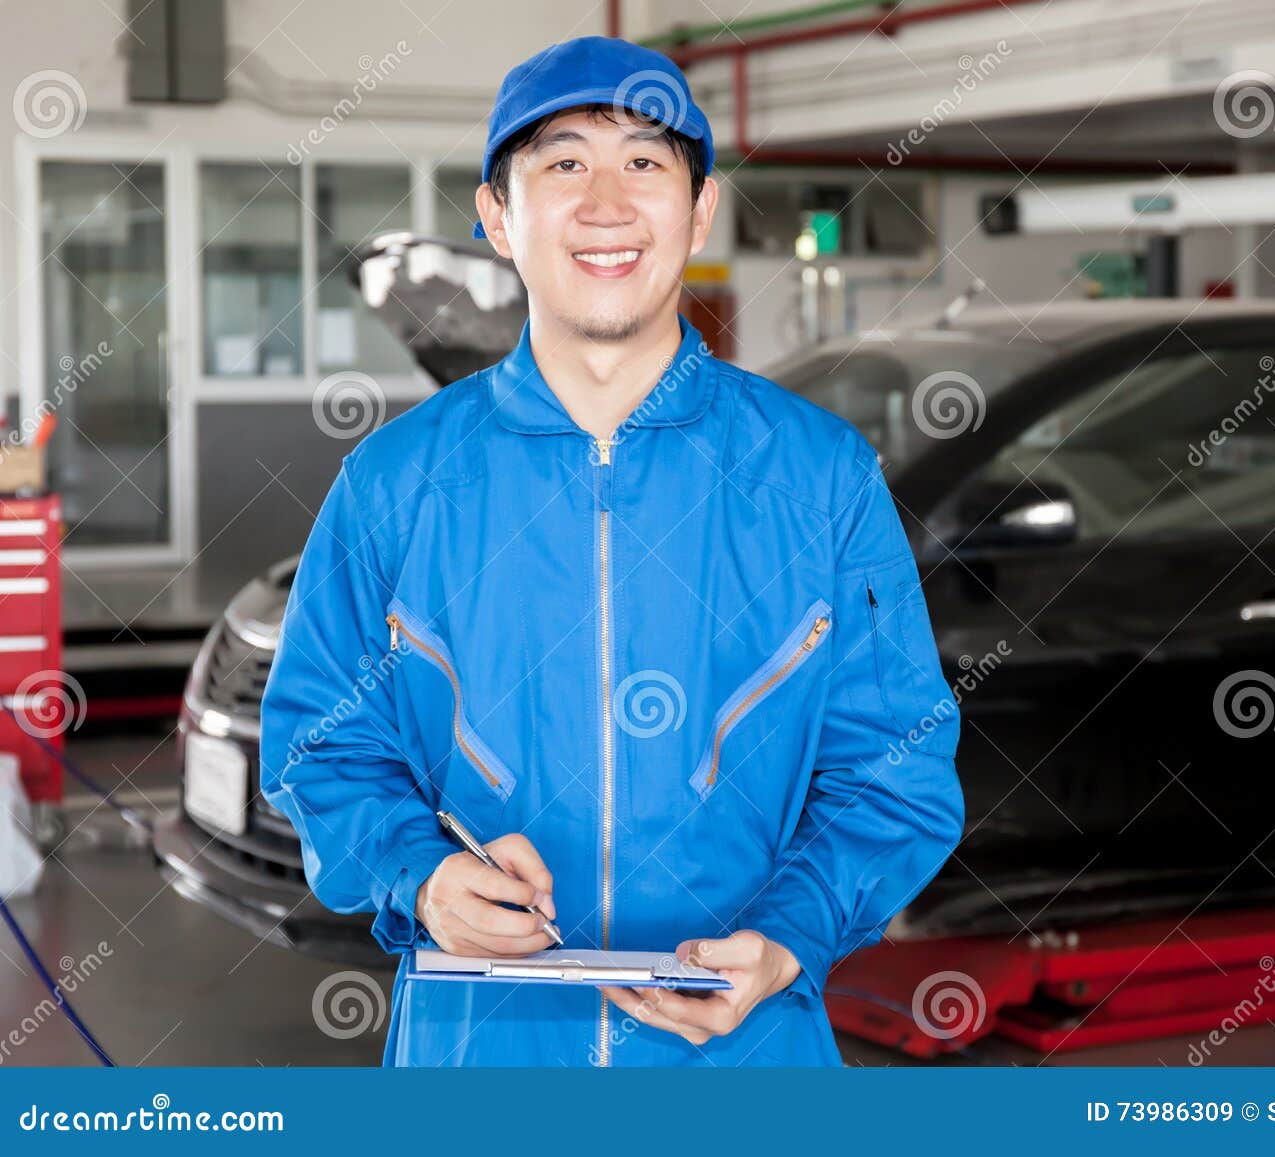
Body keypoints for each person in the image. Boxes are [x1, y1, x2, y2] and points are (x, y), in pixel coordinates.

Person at [259, 34, 963, 1067]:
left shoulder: (818, 478)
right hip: (478, 1062)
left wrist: (786, 940)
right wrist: (421, 873)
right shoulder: (396, 482)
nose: (605, 202)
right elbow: (321, 742)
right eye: (562, 163)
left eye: (644, 161)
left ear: (700, 208)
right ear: (498, 217)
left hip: (743, 1064)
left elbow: (893, 768)